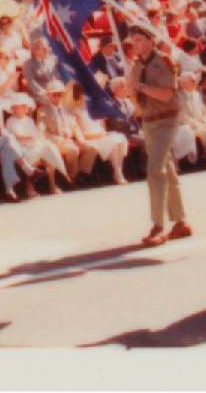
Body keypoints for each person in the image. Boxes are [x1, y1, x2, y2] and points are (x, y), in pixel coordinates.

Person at [114, 29, 191, 247]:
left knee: (155, 169)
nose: (135, 44)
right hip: (148, 121)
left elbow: (166, 93)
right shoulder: (136, 65)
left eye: (139, 40)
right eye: (133, 40)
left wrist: (140, 87)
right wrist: (131, 88)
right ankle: (180, 221)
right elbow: (134, 94)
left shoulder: (163, 61)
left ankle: (159, 225)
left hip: (166, 119)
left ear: (150, 40)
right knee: (167, 170)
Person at [66, 83, 128, 183]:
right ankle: (117, 173)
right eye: (85, 95)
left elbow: (102, 128)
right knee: (114, 140)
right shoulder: (75, 111)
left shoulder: (94, 110)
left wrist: (103, 134)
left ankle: (118, 171)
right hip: (90, 139)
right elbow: (80, 134)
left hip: (101, 137)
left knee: (120, 137)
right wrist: (100, 135)